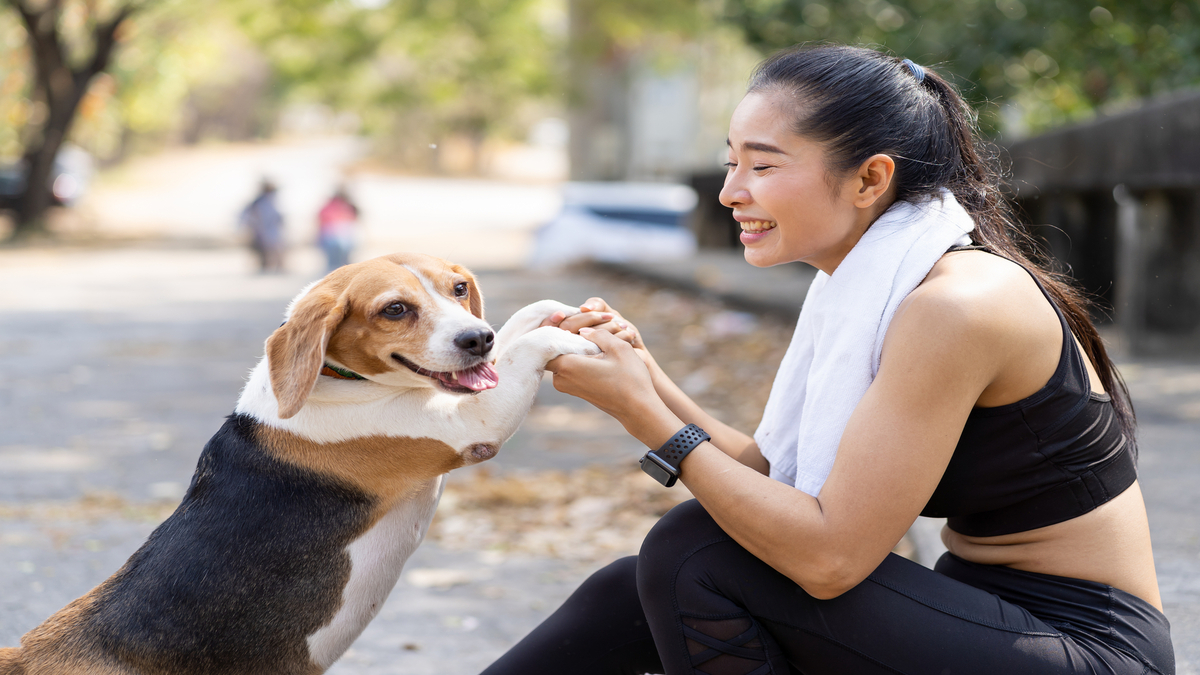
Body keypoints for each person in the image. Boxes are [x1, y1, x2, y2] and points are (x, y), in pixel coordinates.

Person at [482, 45, 1174, 674]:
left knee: (694, 550)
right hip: (984, 620)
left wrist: (643, 414)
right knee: (630, 588)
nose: (731, 192)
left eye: (762, 165)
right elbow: (766, 477)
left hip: (1086, 649)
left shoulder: (956, 306)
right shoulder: (871, 279)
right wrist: (644, 374)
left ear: (870, 178)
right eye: (730, 163)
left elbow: (828, 557)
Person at [240, 178, 286, 273]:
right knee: (266, 252)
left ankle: (277, 268)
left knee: (274, 251)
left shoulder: (269, 201)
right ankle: (268, 268)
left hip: (270, 232)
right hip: (262, 233)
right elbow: (249, 218)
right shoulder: (258, 203)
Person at [317, 186, 359, 271]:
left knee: (336, 263)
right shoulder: (345, 207)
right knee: (341, 262)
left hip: (336, 238)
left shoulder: (333, 206)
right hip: (336, 238)